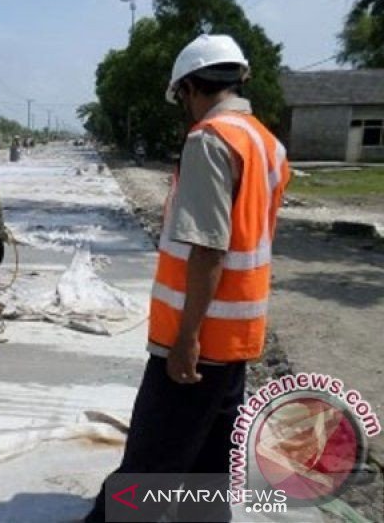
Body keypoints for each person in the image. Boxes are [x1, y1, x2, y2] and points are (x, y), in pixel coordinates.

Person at [84, 34, 291, 522]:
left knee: (149, 464)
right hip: (240, 335)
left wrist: (186, 338)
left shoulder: (210, 139)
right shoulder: (266, 143)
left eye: (182, 97)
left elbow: (207, 249)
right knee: (209, 464)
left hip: (198, 340)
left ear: (191, 88)